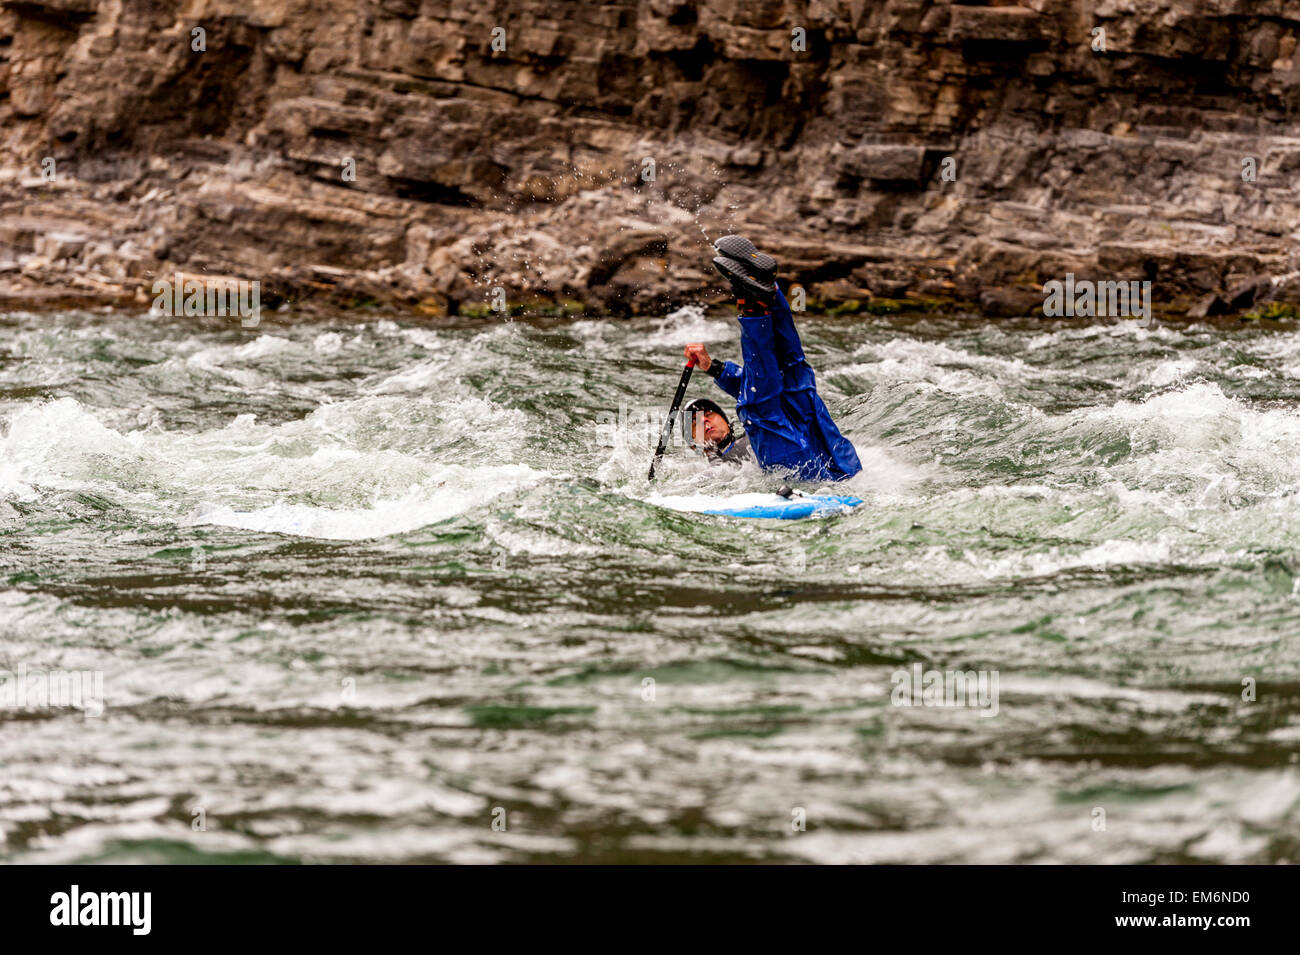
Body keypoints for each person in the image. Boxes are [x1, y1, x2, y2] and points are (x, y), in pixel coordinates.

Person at [682, 235, 861, 481]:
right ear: (694, 445)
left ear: (725, 419)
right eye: (695, 424)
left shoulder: (751, 437)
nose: (705, 421)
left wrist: (712, 367)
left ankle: (760, 294)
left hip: (824, 466)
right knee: (785, 382)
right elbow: (757, 389)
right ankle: (764, 291)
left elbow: (755, 387)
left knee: (784, 380)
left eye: (708, 414)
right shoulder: (716, 470)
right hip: (837, 467)